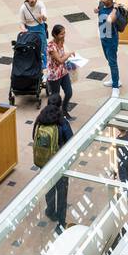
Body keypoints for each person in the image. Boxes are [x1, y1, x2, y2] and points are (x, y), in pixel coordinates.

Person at [33, 96, 73, 232]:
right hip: (59, 163)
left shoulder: (40, 120)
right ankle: (61, 222)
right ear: (60, 106)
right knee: (62, 193)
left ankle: (50, 210)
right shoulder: (62, 123)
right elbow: (71, 141)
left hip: (44, 162)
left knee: (49, 188)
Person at [46, 24, 74, 117]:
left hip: (63, 72)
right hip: (54, 75)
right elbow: (60, 60)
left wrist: (69, 57)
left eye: (64, 33)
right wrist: (69, 54)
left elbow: (62, 55)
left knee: (69, 92)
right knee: (55, 97)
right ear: (55, 34)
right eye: (61, 34)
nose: (63, 35)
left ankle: (64, 110)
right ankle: (53, 115)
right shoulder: (51, 46)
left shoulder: (61, 41)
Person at [98, 0, 122, 93]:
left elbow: (109, 20)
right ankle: (114, 79)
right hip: (103, 38)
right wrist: (96, 10)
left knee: (112, 63)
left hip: (111, 40)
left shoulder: (115, 11)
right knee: (109, 60)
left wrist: (115, 8)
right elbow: (99, 10)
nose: (101, 0)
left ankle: (116, 87)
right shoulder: (101, 4)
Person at [21, 0, 49, 70]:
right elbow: (22, 22)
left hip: (39, 27)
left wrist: (43, 17)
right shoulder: (23, 8)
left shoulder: (40, 4)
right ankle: (33, 64)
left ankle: (44, 65)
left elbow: (45, 17)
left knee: (43, 47)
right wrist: (23, 29)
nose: (34, 0)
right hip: (29, 29)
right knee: (31, 48)